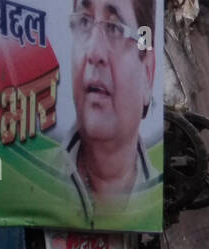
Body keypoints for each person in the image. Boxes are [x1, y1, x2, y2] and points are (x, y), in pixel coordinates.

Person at [66, 0, 159, 219]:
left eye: (114, 28)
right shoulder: (38, 177)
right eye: (84, 22)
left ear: (147, 73)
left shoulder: (154, 195)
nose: (94, 52)